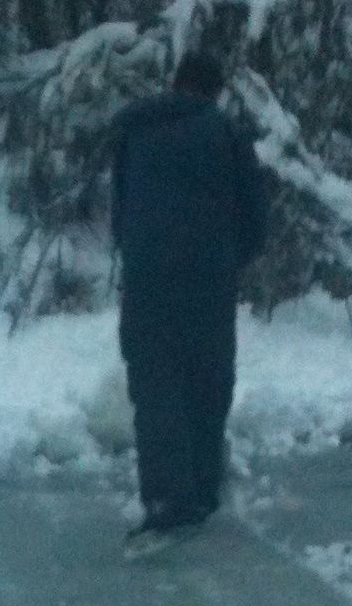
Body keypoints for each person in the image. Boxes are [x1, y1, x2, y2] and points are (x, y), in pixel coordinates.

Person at [110, 49, 269, 550]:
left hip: (146, 281)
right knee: (206, 383)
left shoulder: (133, 132)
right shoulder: (226, 135)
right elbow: (256, 219)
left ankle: (165, 501)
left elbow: (120, 214)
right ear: (215, 91)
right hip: (207, 284)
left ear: (174, 84)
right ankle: (201, 490)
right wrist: (229, 259)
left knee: (156, 388)